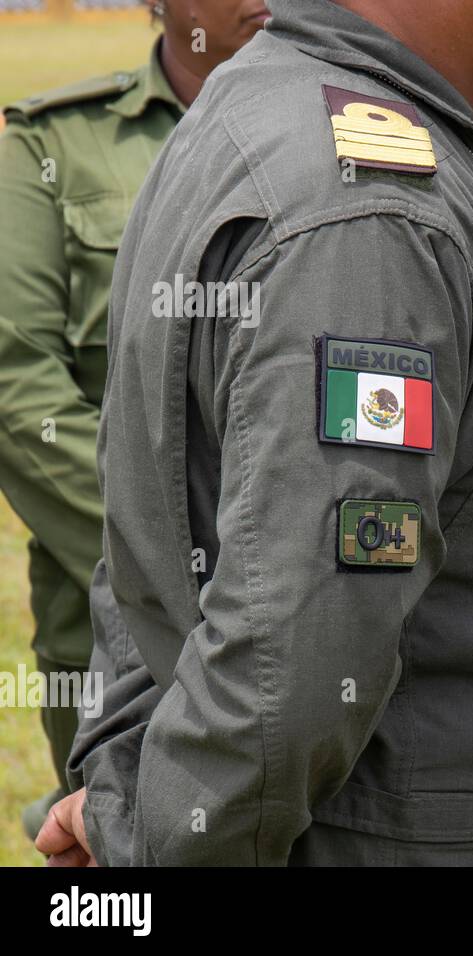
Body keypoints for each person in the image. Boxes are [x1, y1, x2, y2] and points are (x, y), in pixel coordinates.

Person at [36, 0, 473, 867]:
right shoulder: (370, 218)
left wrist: (126, 782)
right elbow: (293, 656)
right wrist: (147, 830)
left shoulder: (249, 110)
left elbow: (156, 545)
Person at [0, 0, 267, 842]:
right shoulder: (50, 146)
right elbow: (18, 386)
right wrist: (168, 564)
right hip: (117, 634)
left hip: (310, 617)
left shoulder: (353, 132)